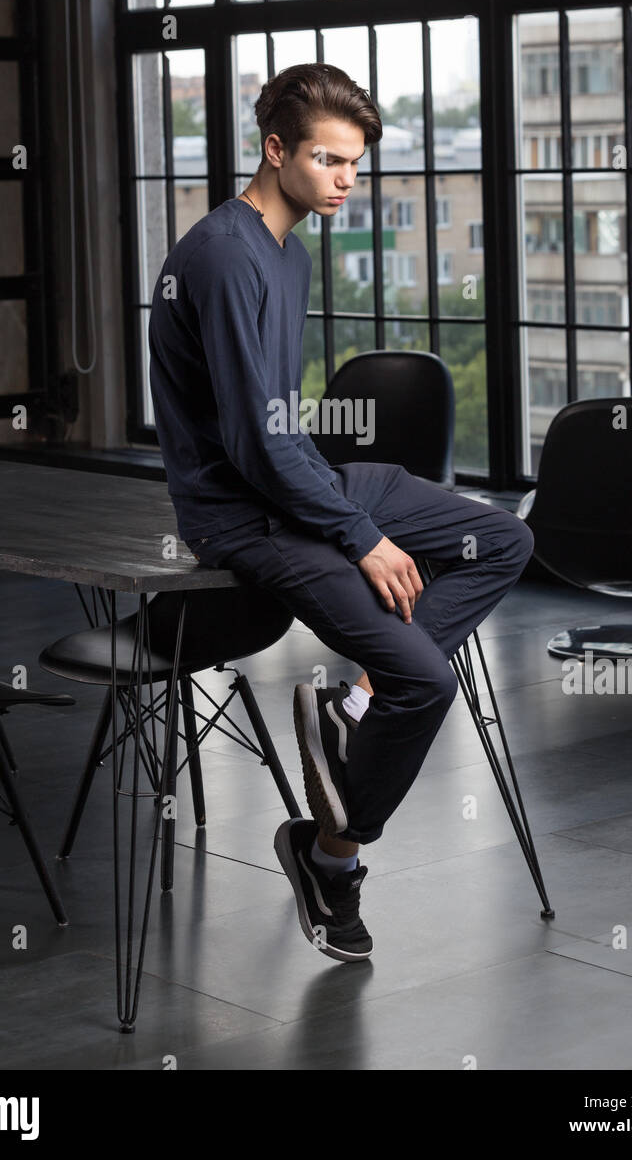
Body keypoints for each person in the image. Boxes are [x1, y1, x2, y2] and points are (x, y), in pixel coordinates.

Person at [148, 62, 534, 963]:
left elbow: (281, 433)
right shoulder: (221, 255)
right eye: (330, 160)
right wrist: (358, 536)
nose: (346, 181)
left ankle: (351, 705)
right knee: (427, 681)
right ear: (275, 149)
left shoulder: (290, 249)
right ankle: (334, 861)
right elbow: (249, 444)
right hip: (243, 518)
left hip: (299, 484)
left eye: (356, 164)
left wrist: (347, 506)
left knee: (502, 538)